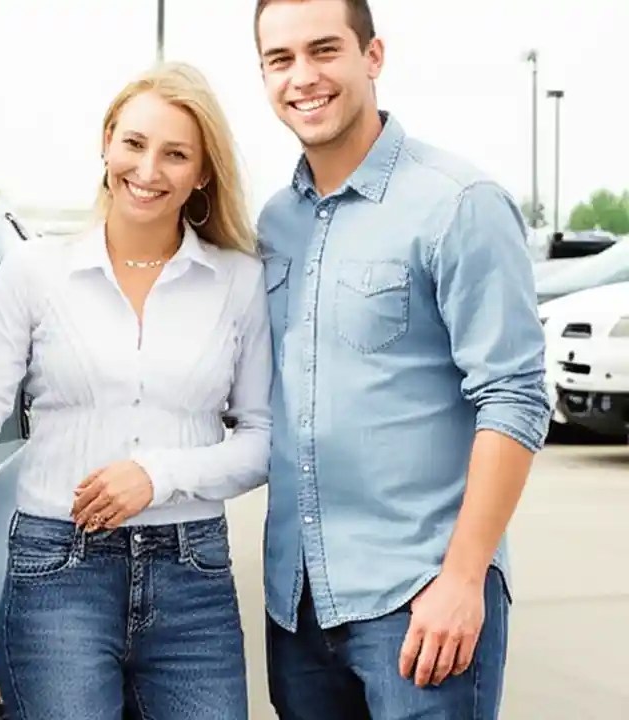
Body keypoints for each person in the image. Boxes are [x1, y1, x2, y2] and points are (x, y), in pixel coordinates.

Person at [0, 62, 272, 720]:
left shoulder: (238, 281)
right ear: (107, 141)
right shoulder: (36, 272)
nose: (147, 169)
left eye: (175, 154)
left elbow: (264, 442)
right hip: (59, 570)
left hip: (192, 578)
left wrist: (157, 474)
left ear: (202, 173)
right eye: (134, 144)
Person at [252, 0, 551, 717]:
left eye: (325, 50)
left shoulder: (457, 202)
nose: (304, 77)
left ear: (373, 57)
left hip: (421, 603)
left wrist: (463, 577)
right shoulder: (273, 222)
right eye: (280, 59)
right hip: (297, 609)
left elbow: (514, 395)